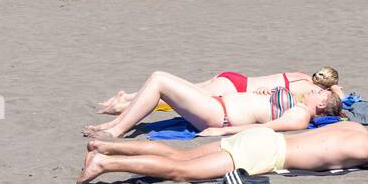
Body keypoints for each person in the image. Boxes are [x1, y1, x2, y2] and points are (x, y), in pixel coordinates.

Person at [76, 123, 368, 184]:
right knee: (180, 170)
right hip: (267, 153)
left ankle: (104, 146)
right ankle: (106, 163)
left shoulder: (354, 127)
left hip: (264, 136)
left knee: (177, 153)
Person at [81, 70, 343, 139]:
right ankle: (114, 124)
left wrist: (221, 132)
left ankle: (116, 129)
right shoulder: (297, 105)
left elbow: (264, 129)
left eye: (321, 94)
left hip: (220, 116)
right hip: (218, 105)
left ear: (321, 105)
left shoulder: (299, 118)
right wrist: (265, 93)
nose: (316, 91)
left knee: (160, 79)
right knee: (160, 81)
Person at [98, 66, 342, 115]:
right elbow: (340, 98)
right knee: (180, 95)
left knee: (187, 88)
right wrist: (335, 88)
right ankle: (126, 105)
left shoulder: (299, 74)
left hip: (234, 77)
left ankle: (128, 96)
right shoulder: (308, 89)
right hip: (235, 89)